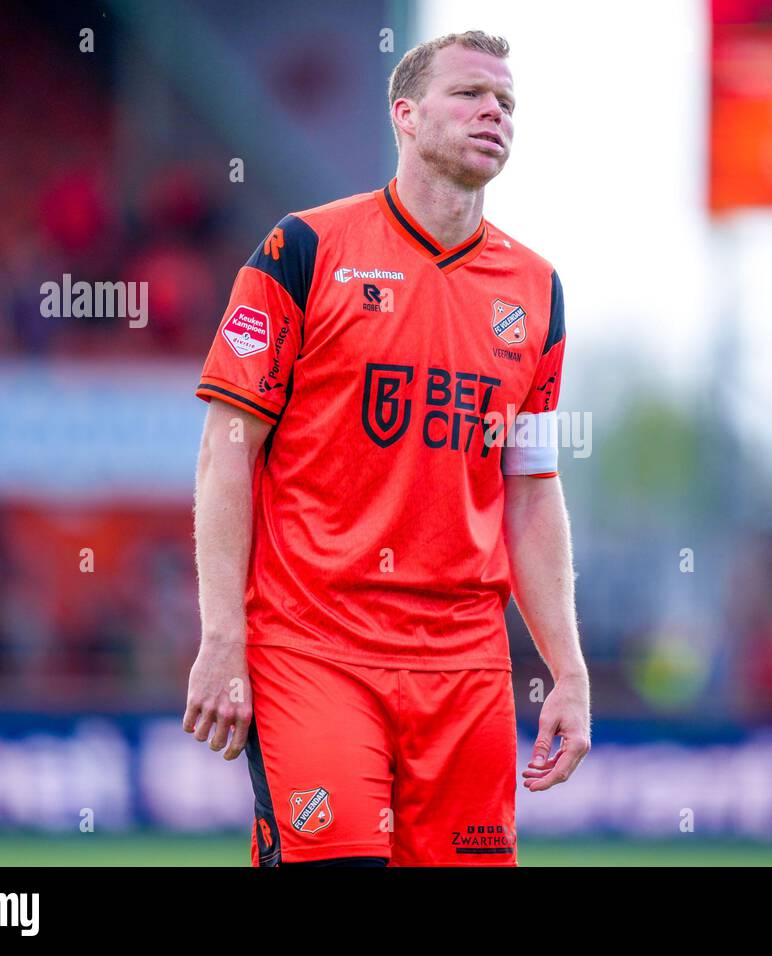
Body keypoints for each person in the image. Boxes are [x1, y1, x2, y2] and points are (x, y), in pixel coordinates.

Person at [183, 31, 589, 866]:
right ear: (404, 115)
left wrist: (569, 670)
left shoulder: (538, 291)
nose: (493, 113)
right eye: (471, 94)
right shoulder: (302, 249)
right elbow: (228, 451)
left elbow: (533, 492)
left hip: (467, 669)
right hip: (313, 646)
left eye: (507, 103)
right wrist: (222, 636)